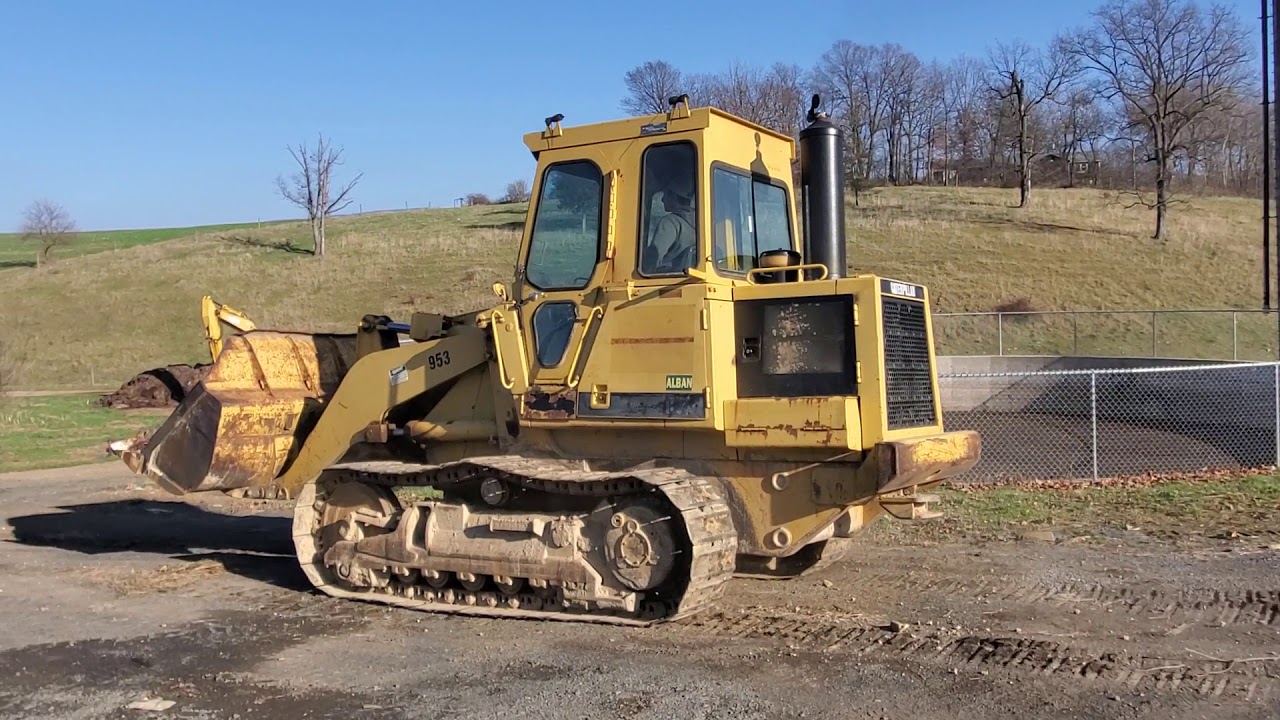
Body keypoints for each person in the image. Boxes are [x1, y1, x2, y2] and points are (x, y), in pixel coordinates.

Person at [645, 172, 696, 273]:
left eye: (666, 194)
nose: (662, 200)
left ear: (675, 197)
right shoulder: (703, 227)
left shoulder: (669, 223)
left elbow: (652, 260)